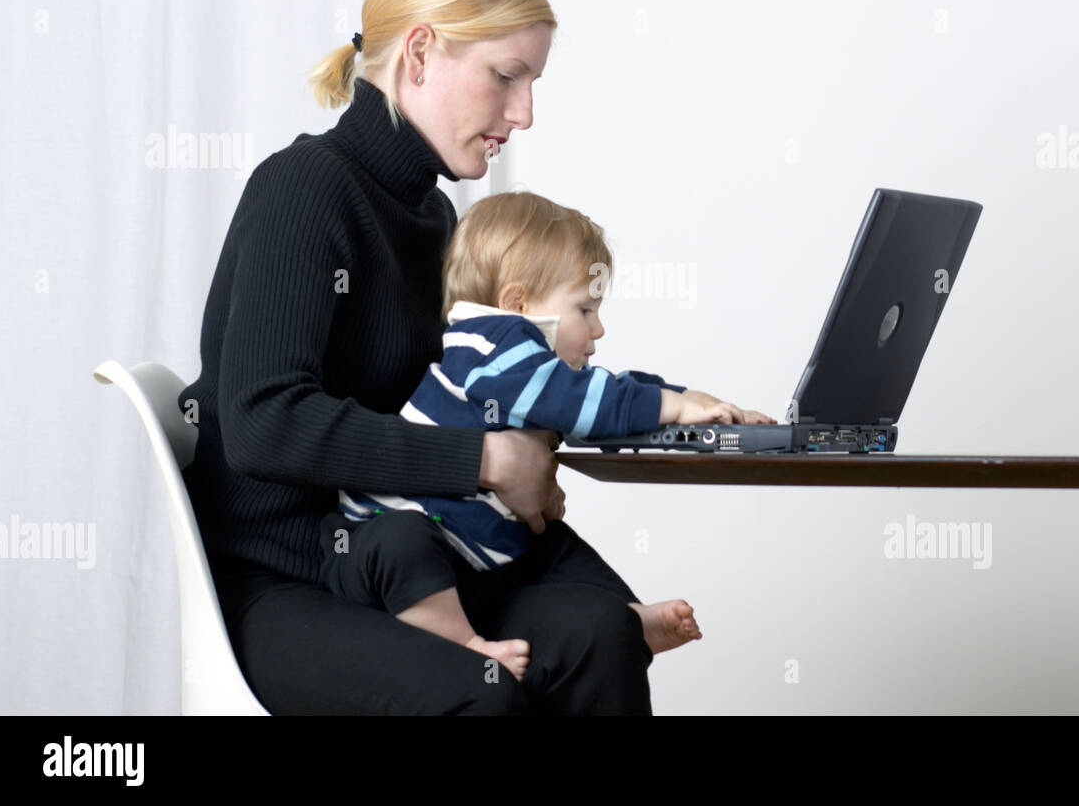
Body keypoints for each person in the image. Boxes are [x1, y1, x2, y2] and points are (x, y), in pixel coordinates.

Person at [178, 0, 742, 714]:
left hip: (417, 563)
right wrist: (483, 460)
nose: (526, 112)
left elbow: (477, 385)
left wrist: (673, 408)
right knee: (485, 690)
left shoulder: (436, 218)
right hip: (289, 575)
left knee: (601, 631)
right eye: (507, 76)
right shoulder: (302, 191)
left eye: (533, 82)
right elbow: (261, 423)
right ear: (418, 55)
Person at [325, 191, 774, 680]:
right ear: (517, 303)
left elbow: (600, 392)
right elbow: (574, 398)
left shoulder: (531, 366)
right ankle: (465, 645)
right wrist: (674, 405)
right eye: (585, 310)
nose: (598, 329)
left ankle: (627, 613)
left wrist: (698, 403)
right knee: (402, 542)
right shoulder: (486, 343)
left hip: (472, 548)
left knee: (555, 547)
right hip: (394, 538)